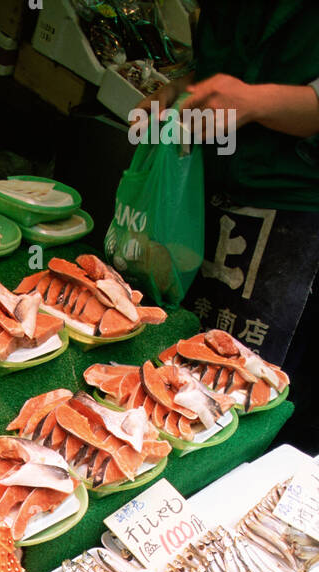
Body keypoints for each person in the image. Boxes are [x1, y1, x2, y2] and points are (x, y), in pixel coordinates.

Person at [138, 2, 319, 450]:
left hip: (298, 208)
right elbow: (223, 61)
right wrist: (183, 92)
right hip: (212, 186)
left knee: (264, 392)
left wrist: (256, 103)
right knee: (179, 348)